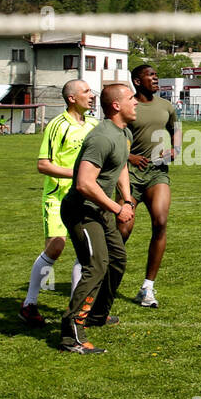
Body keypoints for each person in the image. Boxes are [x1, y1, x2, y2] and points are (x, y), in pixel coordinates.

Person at [59, 83, 138, 354]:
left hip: (100, 209)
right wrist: (117, 209)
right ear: (116, 105)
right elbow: (83, 183)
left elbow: (121, 166)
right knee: (96, 264)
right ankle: (71, 334)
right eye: (131, 98)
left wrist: (126, 199)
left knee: (117, 261)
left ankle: (97, 315)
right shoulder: (102, 137)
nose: (136, 102)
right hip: (82, 210)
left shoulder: (123, 132)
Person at [19, 80, 96, 327]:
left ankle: (76, 308)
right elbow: (43, 164)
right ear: (72, 98)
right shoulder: (57, 125)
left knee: (85, 252)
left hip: (84, 198)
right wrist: (77, 175)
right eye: (86, 91)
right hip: (57, 197)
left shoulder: (94, 125)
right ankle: (30, 304)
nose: (91, 95)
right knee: (55, 248)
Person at [121, 64, 178, 309]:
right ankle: (100, 275)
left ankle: (147, 288)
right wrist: (129, 157)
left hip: (157, 173)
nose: (155, 78)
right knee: (122, 231)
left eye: (156, 75)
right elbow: (113, 135)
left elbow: (176, 129)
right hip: (130, 176)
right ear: (137, 80)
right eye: (150, 75)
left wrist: (175, 149)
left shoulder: (166, 106)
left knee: (161, 222)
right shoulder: (127, 105)